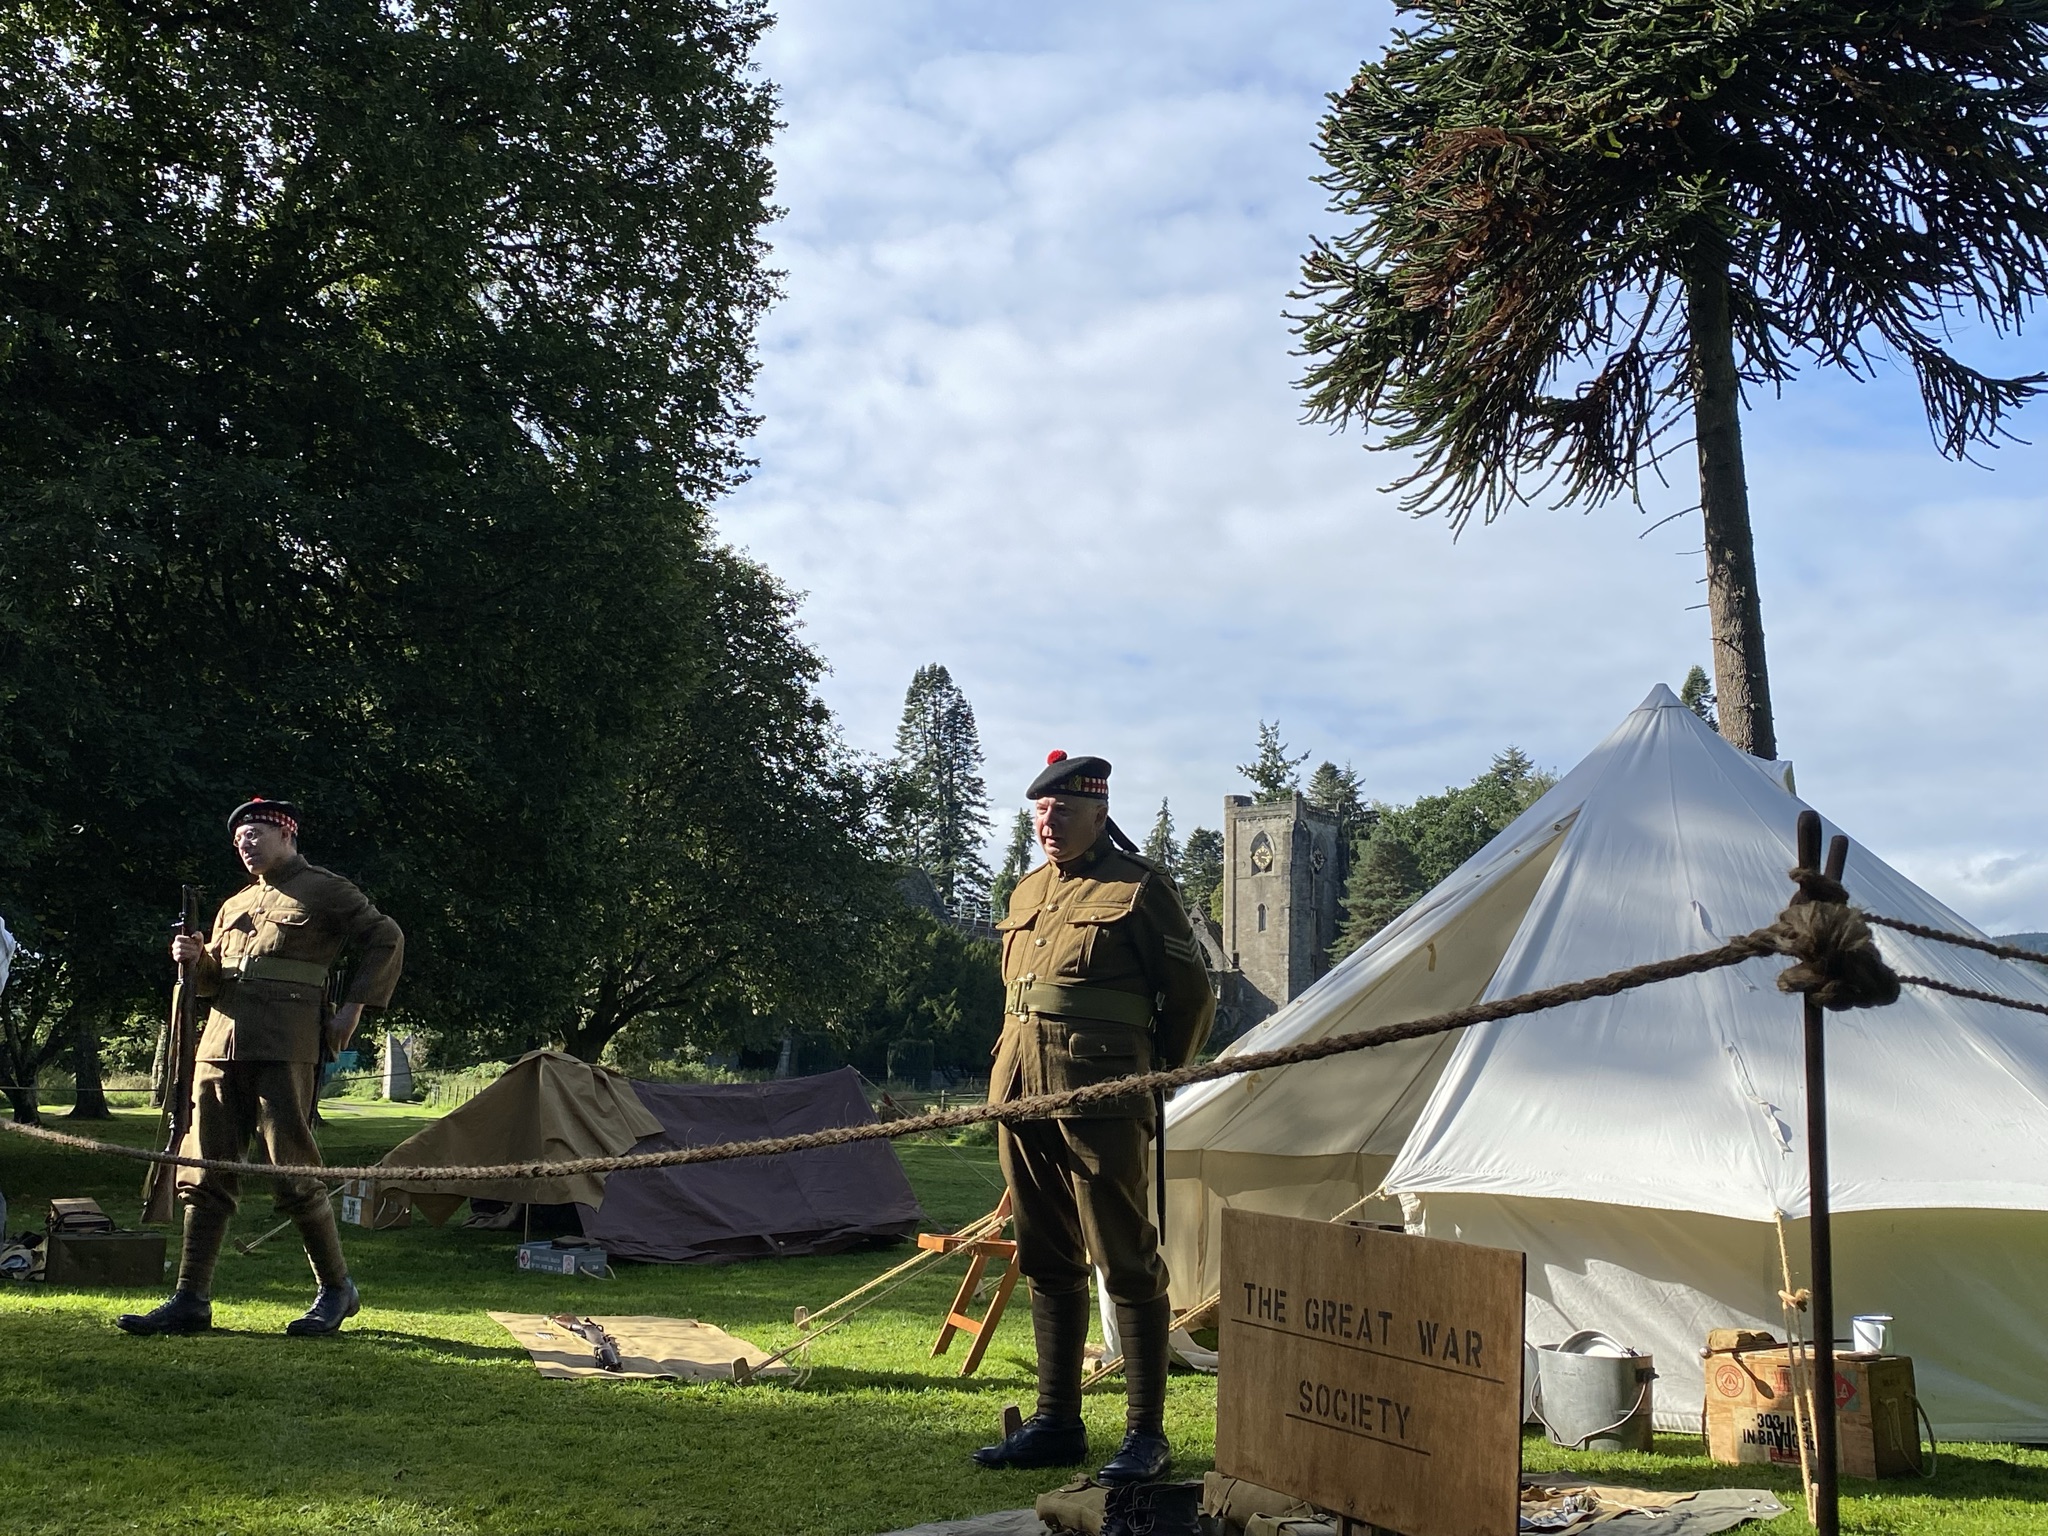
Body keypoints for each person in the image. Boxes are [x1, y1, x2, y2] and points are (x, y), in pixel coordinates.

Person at [974, 751, 1215, 1484]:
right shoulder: (1028, 891)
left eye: (1065, 811)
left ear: (1099, 812)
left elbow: (1193, 997)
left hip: (1102, 1098)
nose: (1050, 823)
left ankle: (1146, 1435)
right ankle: (1057, 1421)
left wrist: (1151, 1076)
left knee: (1126, 1259)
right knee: (1047, 1257)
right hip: (1020, 1094)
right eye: (1041, 811)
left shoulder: (1140, 890)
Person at [118, 798, 404, 1337]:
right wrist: (194, 957)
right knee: (205, 1172)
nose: (244, 845)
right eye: (238, 840)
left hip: (286, 1044)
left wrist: (353, 1008)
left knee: (292, 1170)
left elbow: (387, 938)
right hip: (220, 1045)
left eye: (254, 835)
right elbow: (212, 983)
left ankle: (336, 1290)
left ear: (285, 835)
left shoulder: (325, 889)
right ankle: (190, 1298)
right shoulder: (233, 904)